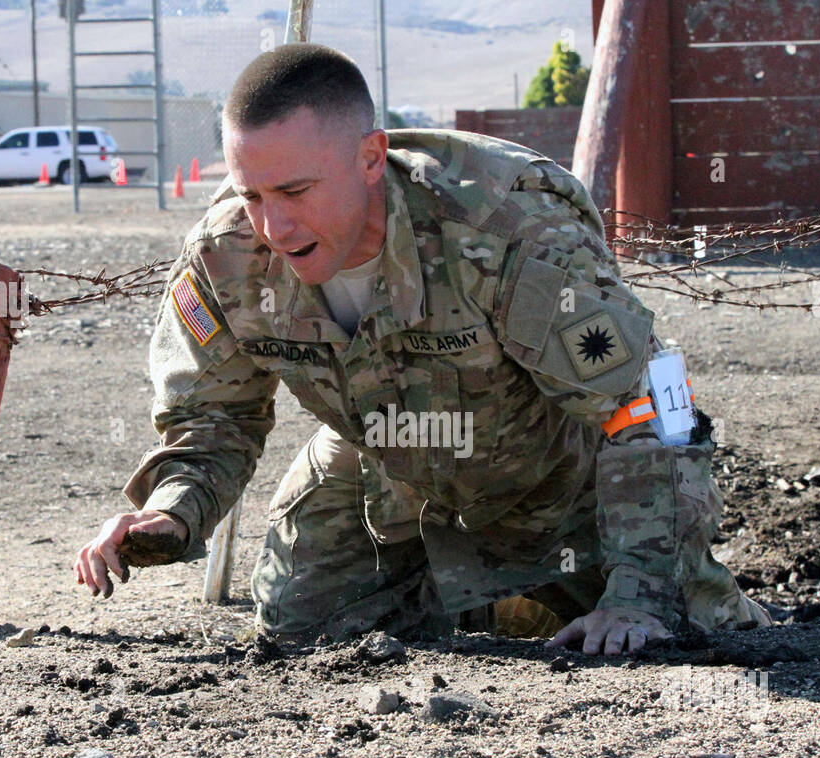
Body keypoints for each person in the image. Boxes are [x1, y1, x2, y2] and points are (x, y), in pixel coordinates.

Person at [74, 43, 771, 656]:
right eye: (251, 193)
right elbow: (213, 422)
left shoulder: (502, 231)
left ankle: (553, 592)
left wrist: (641, 592)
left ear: (371, 158)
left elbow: (656, 396)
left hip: (564, 489)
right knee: (302, 637)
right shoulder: (228, 258)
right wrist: (171, 513)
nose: (275, 226)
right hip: (393, 472)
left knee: (670, 634)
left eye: (295, 190)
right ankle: (481, 598)